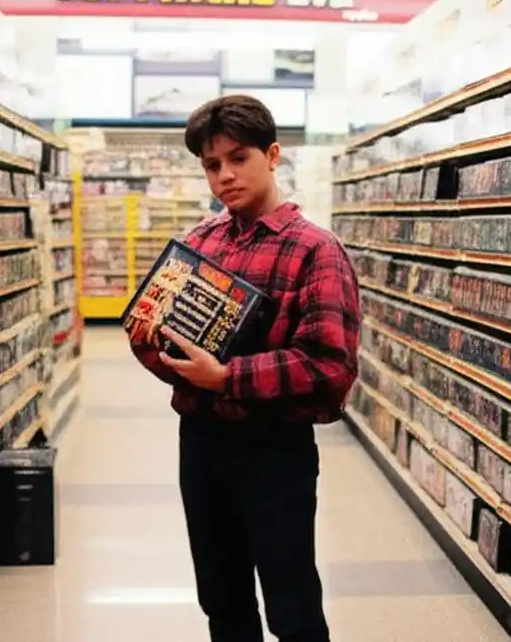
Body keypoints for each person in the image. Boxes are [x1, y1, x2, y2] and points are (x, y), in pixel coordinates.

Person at [128, 95, 361, 642]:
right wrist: (177, 363)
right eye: (212, 165)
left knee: (291, 602)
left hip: (275, 451)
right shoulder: (195, 245)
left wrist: (226, 378)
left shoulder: (316, 251)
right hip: (202, 444)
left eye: (239, 158)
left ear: (272, 155)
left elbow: (330, 367)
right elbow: (145, 332)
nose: (225, 176)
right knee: (221, 596)